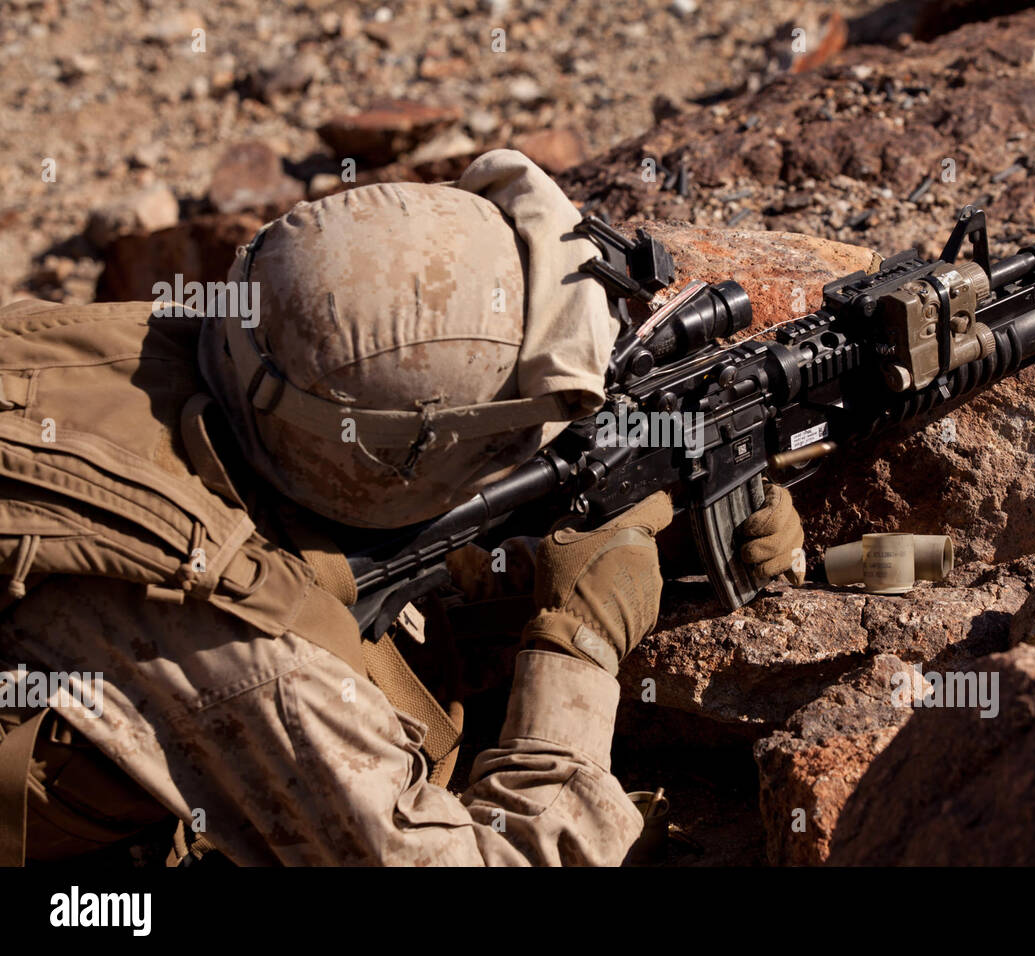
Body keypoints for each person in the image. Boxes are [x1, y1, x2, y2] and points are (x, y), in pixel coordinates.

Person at [0, 150, 805, 866]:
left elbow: (359, 537)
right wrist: (580, 647)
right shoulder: (246, 654)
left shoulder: (169, 345)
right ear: (396, 460)